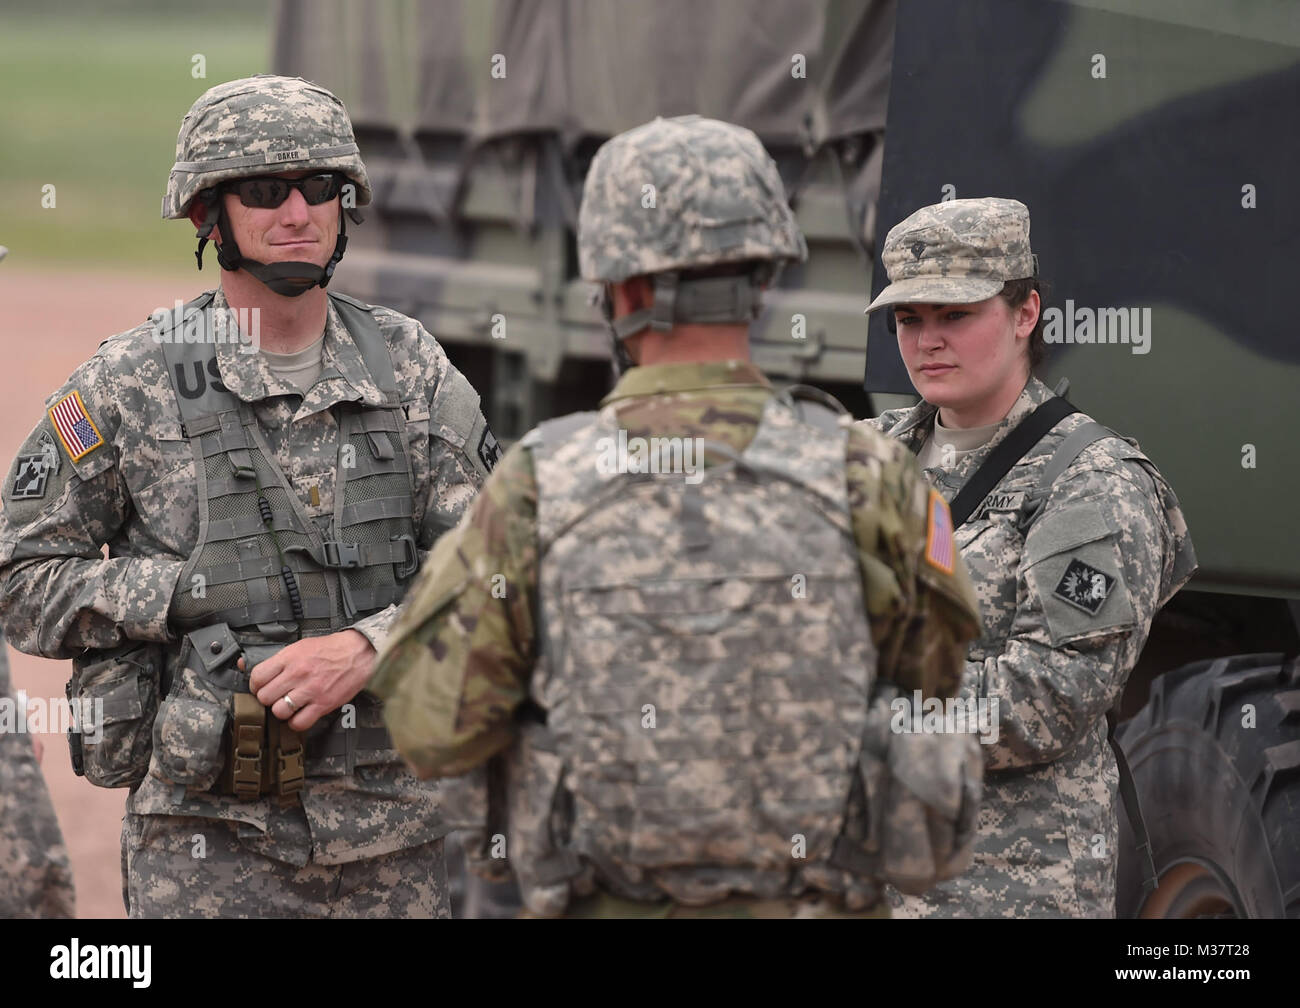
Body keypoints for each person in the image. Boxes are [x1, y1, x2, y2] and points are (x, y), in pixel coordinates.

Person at [370, 115, 985, 918]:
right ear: (765, 282)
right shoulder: (871, 475)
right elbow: (936, 680)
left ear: (620, 292)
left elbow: (431, 726)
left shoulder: (538, 483)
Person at [0, 75, 498, 918]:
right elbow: (22, 574)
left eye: (320, 189)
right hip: (203, 846)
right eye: (265, 191)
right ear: (207, 215)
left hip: (393, 844)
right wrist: (176, 592)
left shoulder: (411, 368)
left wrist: (373, 647)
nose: (297, 213)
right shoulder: (133, 382)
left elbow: (492, 574)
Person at [861, 196, 1197, 917]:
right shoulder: (866, 457)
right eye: (909, 319)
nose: (928, 341)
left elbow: (1048, 701)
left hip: (1005, 888)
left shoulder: (1091, 483)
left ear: (1024, 313)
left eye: (955, 315)